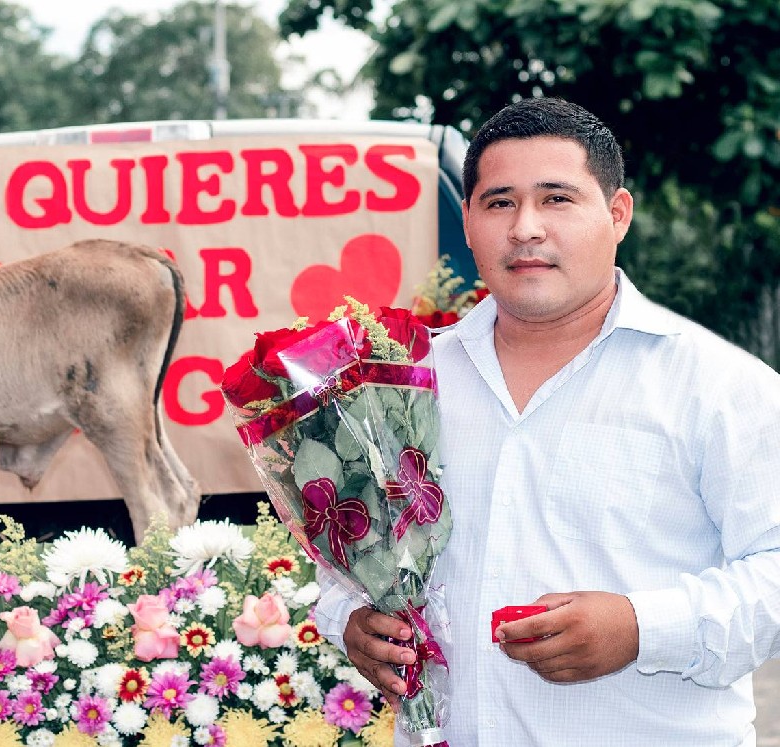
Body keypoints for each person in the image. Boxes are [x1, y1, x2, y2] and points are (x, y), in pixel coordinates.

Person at [315, 97, 780, 745]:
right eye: (499, 202)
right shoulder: (403, 388)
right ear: (468, 222)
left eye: (557, 198)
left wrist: (641, 626)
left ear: (617, 215)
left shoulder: (721, 387)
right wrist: (351, 618)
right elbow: (342, 565)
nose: (525, 227)